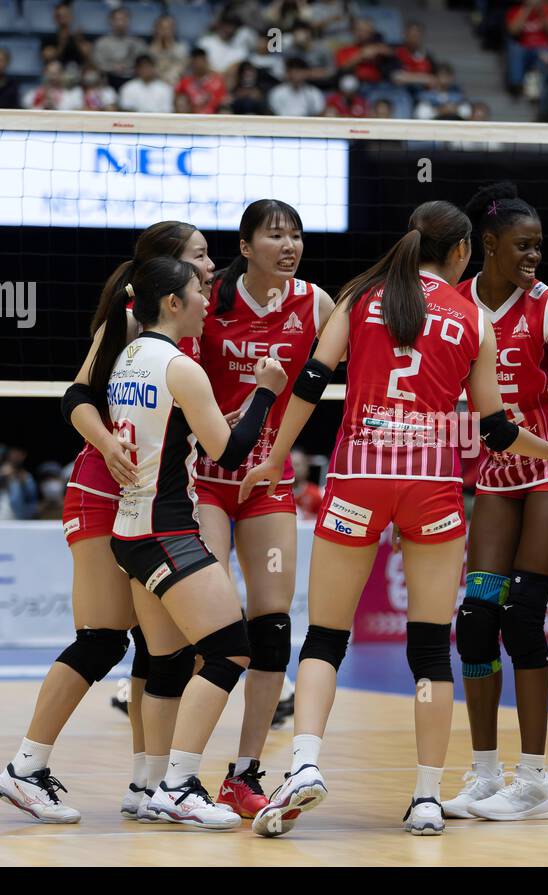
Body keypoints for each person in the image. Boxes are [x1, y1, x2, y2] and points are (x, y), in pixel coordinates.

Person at [242, 201, 548, 837]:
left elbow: (311, 382)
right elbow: (496, 432)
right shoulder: (472, 318)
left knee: (325, 635)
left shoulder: (359, 298)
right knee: (431, 647)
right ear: (461, 252)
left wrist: (274, 457)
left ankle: (304, 764)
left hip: (357, 478)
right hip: (430, 488)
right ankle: (428, 795)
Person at [0, 221, 216, 824]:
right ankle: (24, 768)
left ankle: (147, 782)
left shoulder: (187, 327)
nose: (211, 265)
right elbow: (76, 396)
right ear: (169, 271)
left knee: (156, 644)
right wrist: (109, 447)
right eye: (200, 256)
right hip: (101, 488)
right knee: (102, 637)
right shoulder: (129, 318)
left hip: (146, 502)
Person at [70, 256, 284, 830]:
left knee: (165, 662)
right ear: (172, 302)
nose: (206, 298)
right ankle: (181, 783)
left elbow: (173, 429)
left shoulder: (128, 357)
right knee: (232, 648)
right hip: (168, 530)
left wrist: (225, 413)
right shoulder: (183, 366)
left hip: (129, 533)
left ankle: (148, 785)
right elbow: (230, 455)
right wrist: (265, 394)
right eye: (199, 289)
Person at [440, 182, 548, 823]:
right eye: (523, 246)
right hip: (499, 476)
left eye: (539, 246)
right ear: (489, 245)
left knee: (522, 617)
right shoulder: (457, 305)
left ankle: (535, 782)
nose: (534, 256)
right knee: (476, 618)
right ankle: (485, 774)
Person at [193, 199, 335, 819]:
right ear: (246, 246)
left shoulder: (317, 304)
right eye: (275, 235)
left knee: (273, 624)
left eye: (297, 235)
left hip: (267, 479)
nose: (290, 245)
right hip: (202, 477)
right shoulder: (209, 299)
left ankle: (244, 771)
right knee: (215, 625)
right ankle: (169, 774)